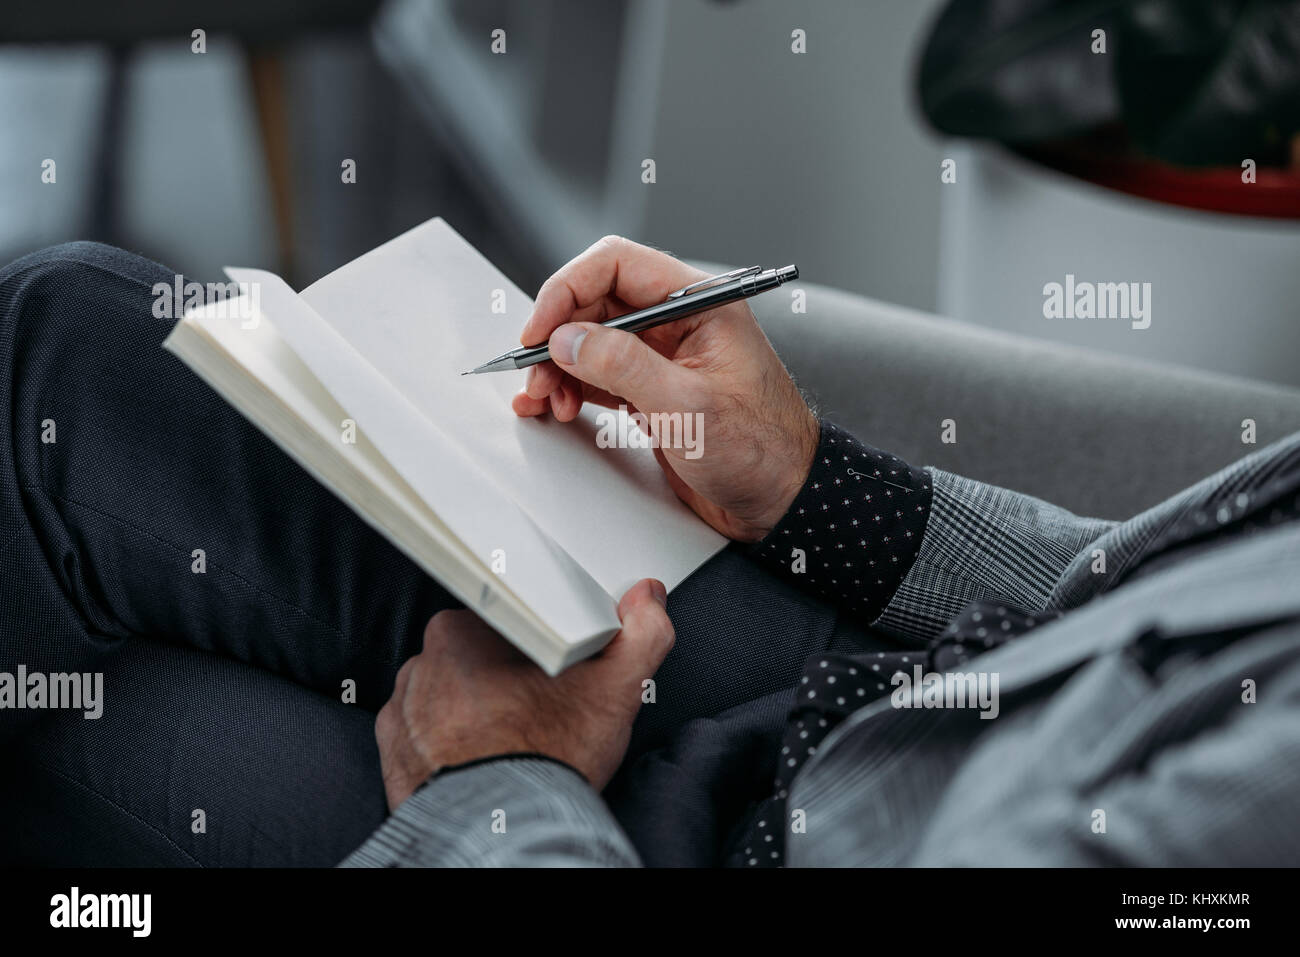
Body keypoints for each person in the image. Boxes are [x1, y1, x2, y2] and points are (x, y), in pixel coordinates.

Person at [2, 237, 1298, 867]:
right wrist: (809, 484)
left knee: (88, 730)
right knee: (72, 352)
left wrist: (504, 784)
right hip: (892, 686)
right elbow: (1124, 586)